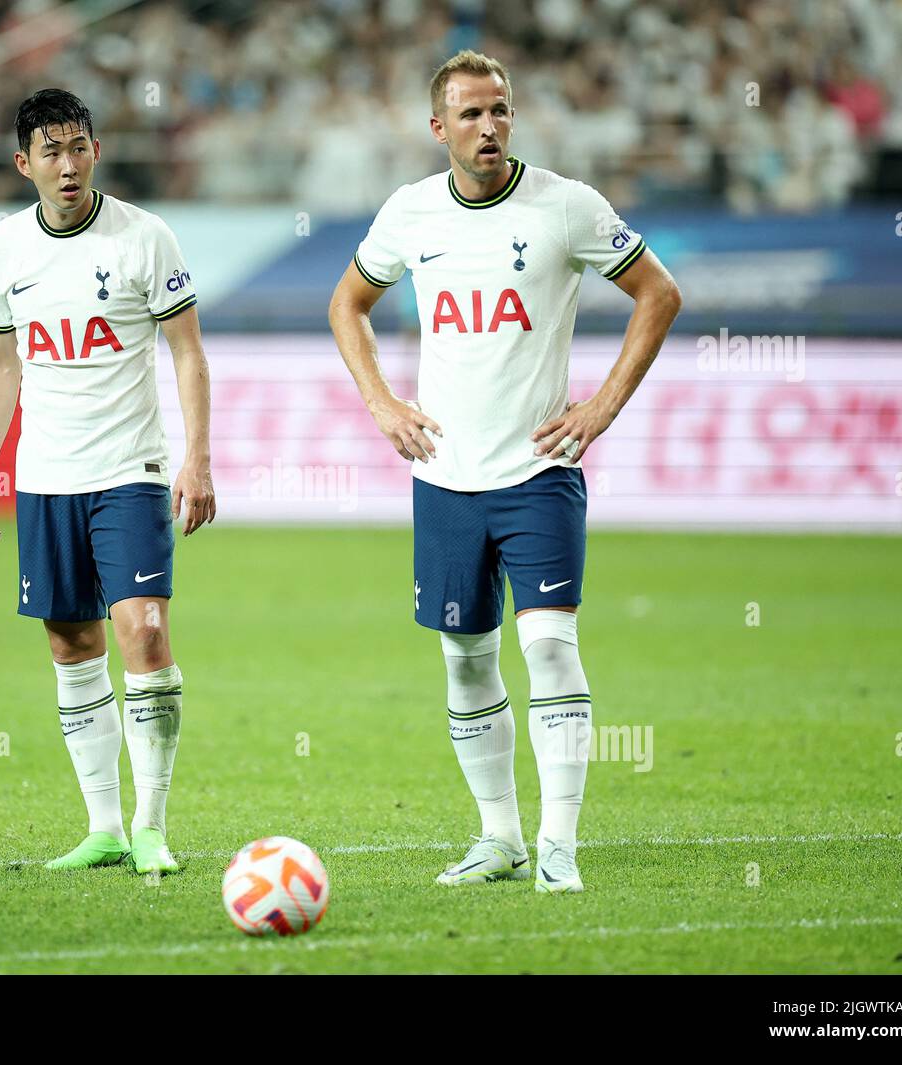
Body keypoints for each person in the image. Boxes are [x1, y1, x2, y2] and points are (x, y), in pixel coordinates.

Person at [328, 51, 681, 893]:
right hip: (445, 477)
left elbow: (660, 293)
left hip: (537, 472)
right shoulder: (411, 212)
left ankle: (559, 843)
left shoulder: (566, 206)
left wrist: (601, 407)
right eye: (472, 114)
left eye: (501, 111)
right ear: (438, 127)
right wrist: (382, 402)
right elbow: (348, 303)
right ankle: (500, 837)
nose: (490, 127)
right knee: (465, 658)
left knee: (550, 646)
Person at [0, 88, 215, 876]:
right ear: (23, 163)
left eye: (79, 147)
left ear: (96, 151)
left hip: (129, 471)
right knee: (72, 643)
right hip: (47, 477)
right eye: (51, 151)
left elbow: (187, 351)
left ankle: (151, 825)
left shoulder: (145, 237)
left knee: (145, 629)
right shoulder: (3, 247)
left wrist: (197, 457)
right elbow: (1, 364)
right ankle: (104, 827)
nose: (67, 165)